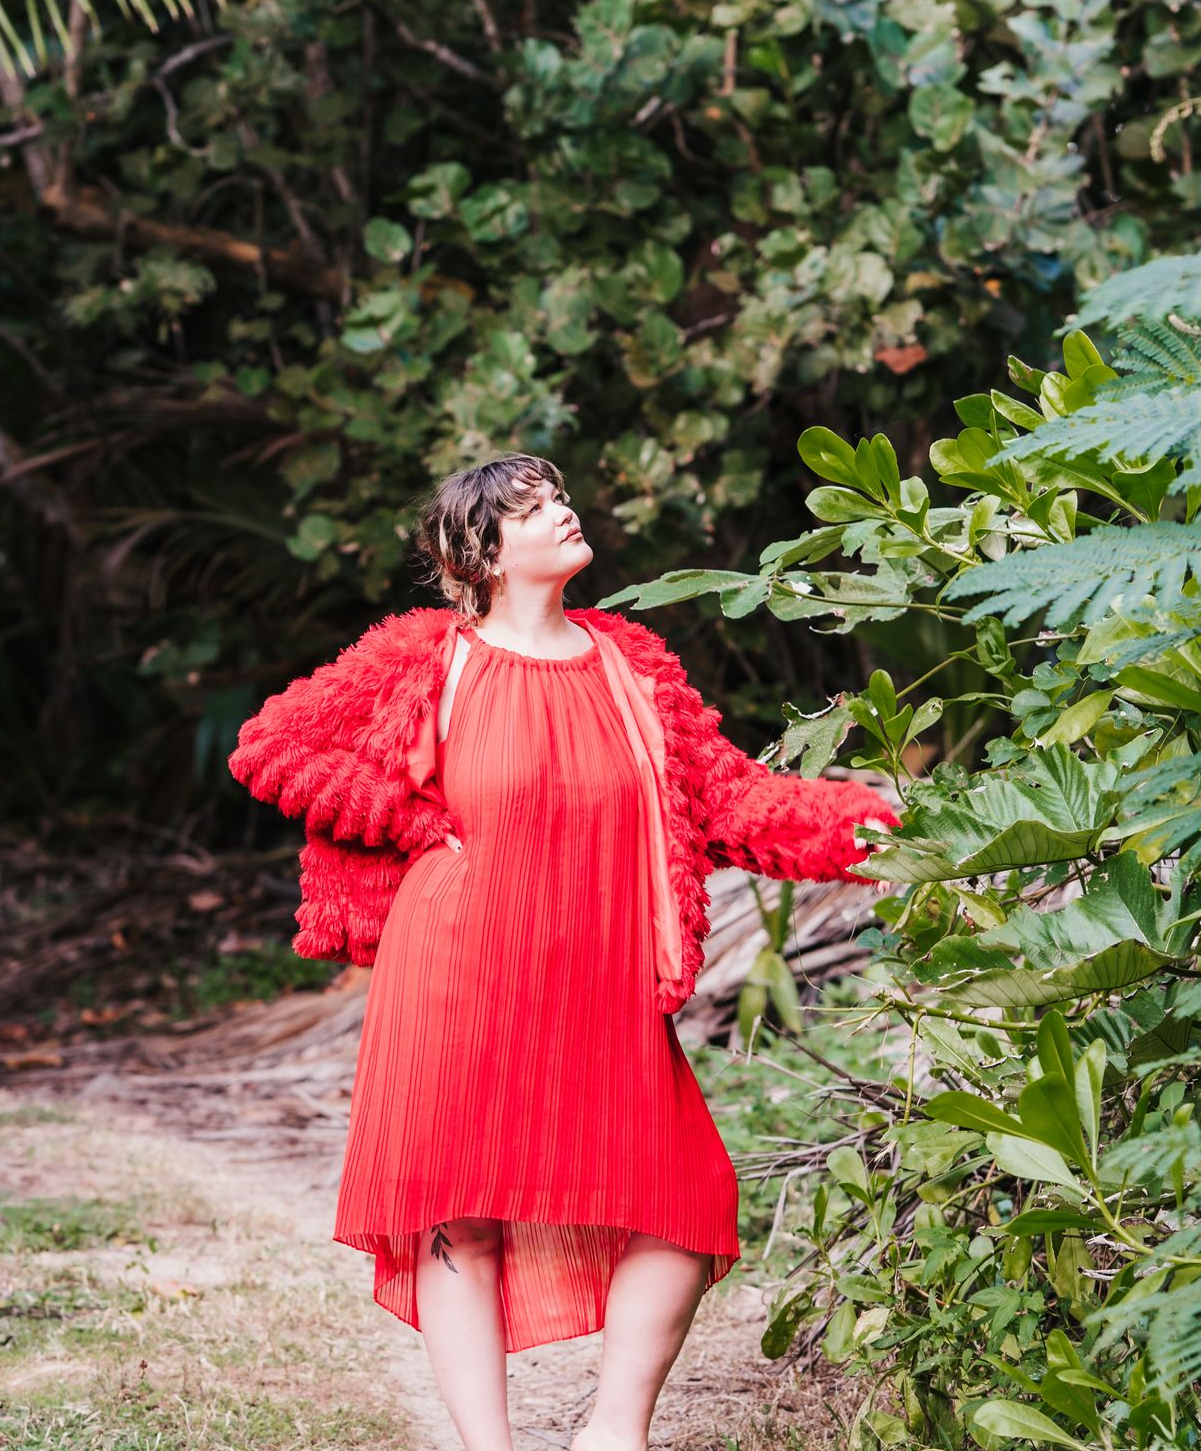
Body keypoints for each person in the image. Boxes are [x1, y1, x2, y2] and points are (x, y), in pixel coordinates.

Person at [226, 452, 896, 1451]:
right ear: (482, 552)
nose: (564, 514)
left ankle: (610, 1433)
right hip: (455, 963)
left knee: (686, 1197)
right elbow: (271, 747)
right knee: (460, 1205)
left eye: (561, 499)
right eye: (535, 511)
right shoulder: (425, 658)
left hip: (601, 977)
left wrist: (878, 827)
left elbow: (738, 799)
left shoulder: (633, 667)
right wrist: (409, 819)